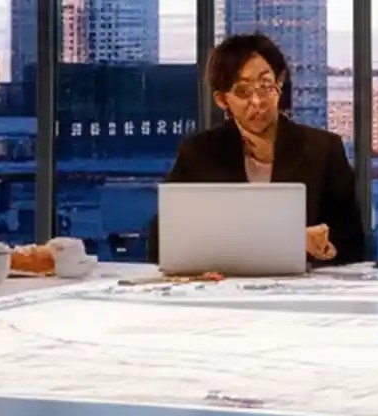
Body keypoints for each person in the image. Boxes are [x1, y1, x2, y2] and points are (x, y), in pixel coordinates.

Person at [147, 33, 365, 264]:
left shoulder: (323, 149)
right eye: (242, 91)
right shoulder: (200, 152)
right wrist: (288, 239)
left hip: (302, 289)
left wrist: (320, 246)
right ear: (222, 100)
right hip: (224, 288)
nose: (257, 101)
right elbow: (162, 241)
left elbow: (352, 244)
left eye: (265, 86)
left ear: (279, 84)